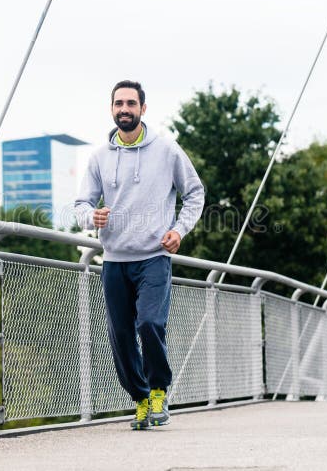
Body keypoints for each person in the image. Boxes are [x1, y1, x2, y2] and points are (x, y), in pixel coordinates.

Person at [75, 80, 205, 430]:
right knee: (120, 335)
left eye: (131, 103)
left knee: (149, 323)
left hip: (153, 257)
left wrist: (179, 230)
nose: (124, 109)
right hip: (114, 260)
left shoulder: (166, 150)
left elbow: (195, 192)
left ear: (143, 109)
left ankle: (159, 390)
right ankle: (141, 398)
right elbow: (82, 204)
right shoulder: (100, 157)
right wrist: (91, 217)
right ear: (111, 109)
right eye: (119, 103)